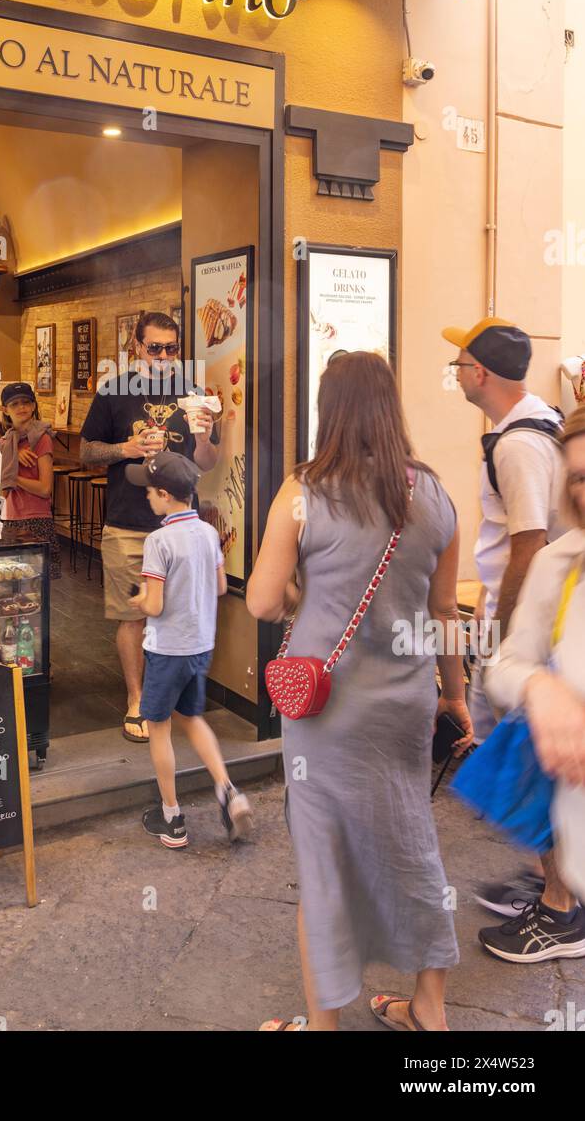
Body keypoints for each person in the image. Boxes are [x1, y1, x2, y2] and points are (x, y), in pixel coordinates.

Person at [247, 352, 472, 1032]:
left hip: (324, 710)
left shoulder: (302, 491)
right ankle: (427, 1006)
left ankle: (323, 1027)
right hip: (403, 705)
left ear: (327, 412)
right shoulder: (433, 496)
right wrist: (454, 695)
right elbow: (443, 614)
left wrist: (301, 595)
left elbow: (260, 601)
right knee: (410, 842)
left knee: (323, 858)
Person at [443, 317, 568, 923]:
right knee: (528, 759)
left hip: (533, 630)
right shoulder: (543, 421)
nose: (457, 374)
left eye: (460, 364)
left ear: (481, 374)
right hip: (551, 626)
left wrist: (503, 638)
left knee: (530, 762)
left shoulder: (517, 445)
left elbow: (529, 543)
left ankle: (559, 904)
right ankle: (555, 880)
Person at [80, 312, 219, 743]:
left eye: (171, 348)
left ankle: (173, 696)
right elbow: (86, 451)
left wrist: (203, 437)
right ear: (137, 347)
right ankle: (137, 699)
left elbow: (208, 463)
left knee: (180, 612)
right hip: (127, 522)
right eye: (154, 347)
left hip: (182, 524)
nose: (163, 356)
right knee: (134, 615)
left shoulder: (192, 395)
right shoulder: (113, 391)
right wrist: (125, 448)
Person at [478, 405, 585, 961]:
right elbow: (508, 665)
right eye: (580, 477)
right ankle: (558, 902)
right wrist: (540, 690)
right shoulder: (560, 563)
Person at [125, 450, 253, 846]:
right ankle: (228, 790)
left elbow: (156, 606)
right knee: (193, 718)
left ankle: (172, 818)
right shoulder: (208, 533)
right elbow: (217, 588)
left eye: (149, 492)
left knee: (159, 730)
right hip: (200, 646)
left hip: (166, 650)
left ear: (165, 495)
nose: (146, 497)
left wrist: (139, 599)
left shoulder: (159, 540)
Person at [0, 381, 61, 579]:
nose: (21, 408)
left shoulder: (42, 439)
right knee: (10, 585)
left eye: (26, 402)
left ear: (34, 406)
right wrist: (14, 454)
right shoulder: (6, 442)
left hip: (36, 519)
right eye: (14, 404)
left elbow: (44, 488)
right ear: (5, 410)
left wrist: (13, 477)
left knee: (37, 586)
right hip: (9, 518)